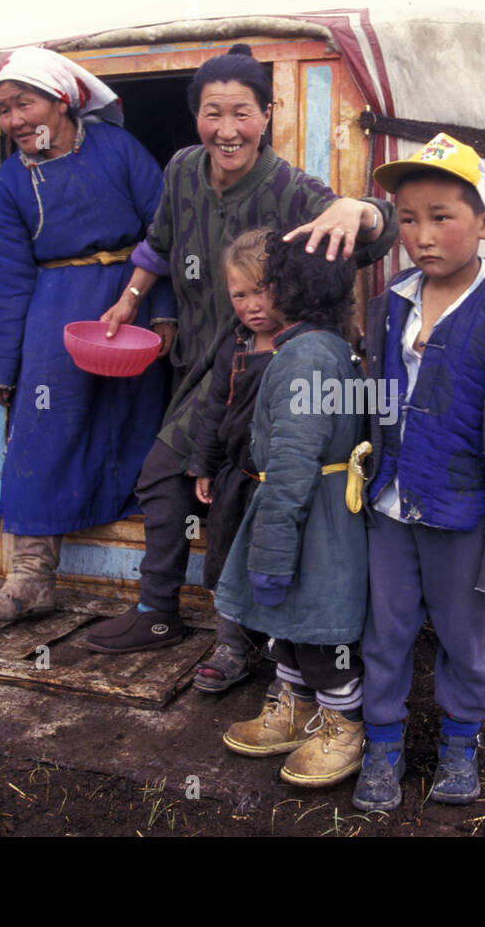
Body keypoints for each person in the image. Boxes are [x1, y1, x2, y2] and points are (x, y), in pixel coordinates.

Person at [84, 43, 397, 654]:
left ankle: (239, 630)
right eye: (212, 113)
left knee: (222, 486)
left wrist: (358, 208)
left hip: (260, 365)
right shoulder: (180, 169)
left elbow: (372, 231)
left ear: (269, 114)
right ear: (196, 115)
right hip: (196, 357)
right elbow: (157, 244)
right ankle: (164, 613)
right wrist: (130, 299)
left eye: (242, 113)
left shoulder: (289, 187)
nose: (227, 130)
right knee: (171, 479)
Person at [351, 134, 485, 811]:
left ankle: (459, 745)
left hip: (464, 509)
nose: (422, 235)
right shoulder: (392, 302)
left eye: (442, 216)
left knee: (464, 635)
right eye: (408, 219)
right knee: (383, 630)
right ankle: (381, 746)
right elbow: (377, 395)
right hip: (390, 506)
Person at [0, 47, 174, 621]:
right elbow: (10, 270)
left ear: (61, 102)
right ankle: (31, 578)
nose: (14, 120)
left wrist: (164, 308)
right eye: (4, 110)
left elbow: (166, 229)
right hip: (54, 310)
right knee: (40, 434)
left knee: (138, 424)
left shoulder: (117, 149)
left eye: (24, 103)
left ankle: (153, 585)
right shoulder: (13, 178)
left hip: (130, 296)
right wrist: (0, 362)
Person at [214, 232, 369, 788]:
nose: (255, 301)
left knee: (321, 628)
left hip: (313, 517)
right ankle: (298, 709)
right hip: (319, 509)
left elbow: (294, 463)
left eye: (267, 286)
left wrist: (272, 552)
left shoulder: (305, 357)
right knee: (291, 624)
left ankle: (343, 724)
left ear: (291, 291)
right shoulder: (320, 346)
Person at [188, 229, 282, 692]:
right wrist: (204, 465)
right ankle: (231, 645)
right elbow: (214, 410)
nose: (251, 304)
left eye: (262, 290)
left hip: (285, 484)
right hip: (237, 479)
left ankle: (289, 657)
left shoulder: (305, 345)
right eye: (239, 294)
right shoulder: (237, 346)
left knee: (283, 561)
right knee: (228, 560)